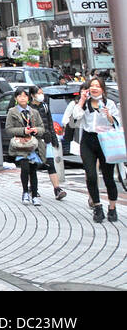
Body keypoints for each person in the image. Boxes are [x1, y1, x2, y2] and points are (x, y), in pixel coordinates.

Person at [64, 77, 120, 223]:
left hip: (105, 141)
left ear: (102, 89)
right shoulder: (84, 104)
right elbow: (76, 117)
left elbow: (116, 123)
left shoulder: (110, 103)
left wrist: (108, 115)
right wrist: (82, 100)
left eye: (97, 86)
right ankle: (97, 206)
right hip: (88, 140)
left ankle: (112, 207)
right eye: (92, 86)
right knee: (91, 175)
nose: (94, 88)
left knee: (108, 177)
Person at [4, 87, 45, 206]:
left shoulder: (34, 112)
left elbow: (42, 127)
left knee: (33, 169)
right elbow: (8, 129)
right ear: (16, 98)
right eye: (20, 96)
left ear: (28, 98)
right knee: (25, 167)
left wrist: (35, 130)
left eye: (25, 96)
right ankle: (25, 192)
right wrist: (23, 131)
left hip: (33, 144)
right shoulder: (12, 112)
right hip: (20, 144)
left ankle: (35, 194)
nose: (23, 98)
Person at [32, 87, 68, 200]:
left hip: (46, 139)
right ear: (32, 95)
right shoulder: (29, 108)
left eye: (42, 93)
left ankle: (57, 189)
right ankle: (33, 188)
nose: (41, 95)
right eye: (39, 93)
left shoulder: (45, 106)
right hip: (34, 141)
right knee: (33, 165)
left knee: (50, 164)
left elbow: (50, 123)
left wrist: (54, 139)